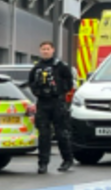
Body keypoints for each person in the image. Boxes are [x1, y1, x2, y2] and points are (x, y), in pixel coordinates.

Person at [28, 40, 75, 174]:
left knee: (62, 134)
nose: (45, 51)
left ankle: (67, 160)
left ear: (53, 50)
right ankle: (43, 164)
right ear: (40, 51)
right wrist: (37, 91)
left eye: (48, 49)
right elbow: (31, 81)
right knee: (43, 135)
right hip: (43, 103)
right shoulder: (37, 67)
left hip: (57, 102)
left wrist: (60, 91)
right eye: (43, 49)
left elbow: (69, 82)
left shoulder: (60, 66)